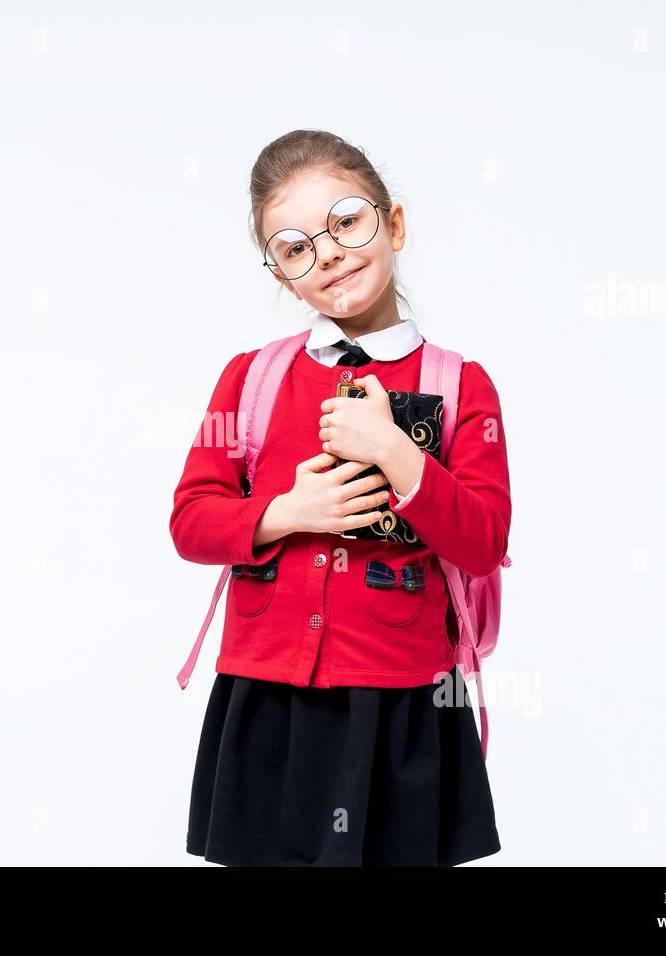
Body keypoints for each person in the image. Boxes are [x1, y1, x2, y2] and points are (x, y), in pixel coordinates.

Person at [169, 129, 512, 866]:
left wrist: (397, 454)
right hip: (266, 696)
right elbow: (191, 520)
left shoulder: (463, 386)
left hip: (399, 703)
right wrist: (285, 512)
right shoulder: (250, 379)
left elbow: (484, 541)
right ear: (282, 276)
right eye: (294, 247)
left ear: (393, 223)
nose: (325, 252)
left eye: (346, 221)